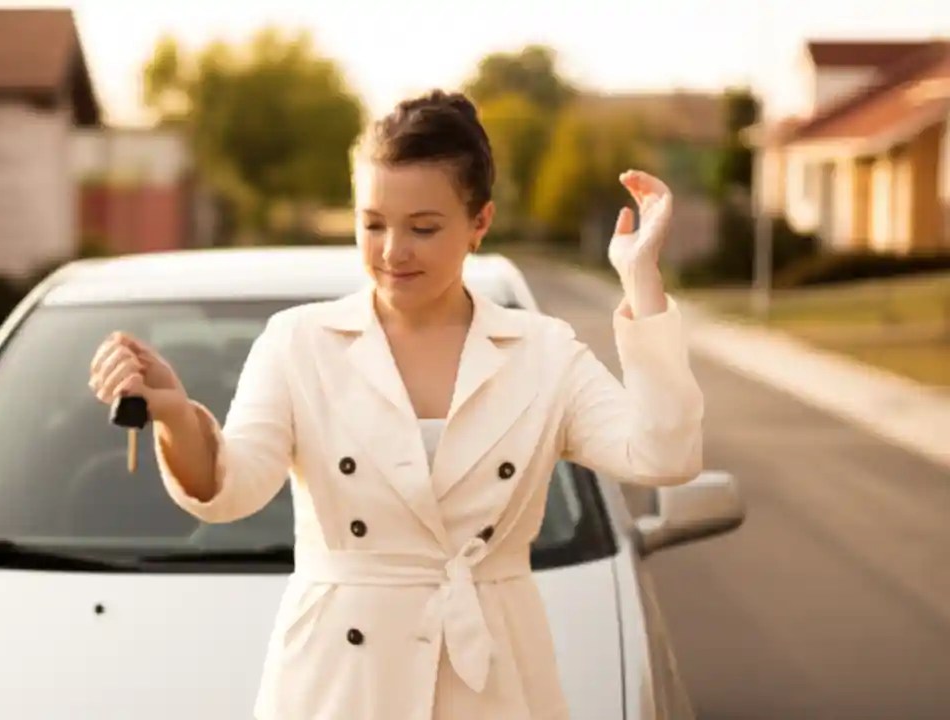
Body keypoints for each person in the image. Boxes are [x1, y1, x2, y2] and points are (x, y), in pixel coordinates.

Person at [87, 89, 705, 720]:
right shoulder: (300, 342)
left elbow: (665, 454)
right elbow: (230, 488)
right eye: (373, 223)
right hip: (340, 684)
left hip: (494, 678)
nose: (392, 252)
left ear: (480, 224)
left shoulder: (542, 351)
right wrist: (174, 415)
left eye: (424, 228)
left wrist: (642, 283)